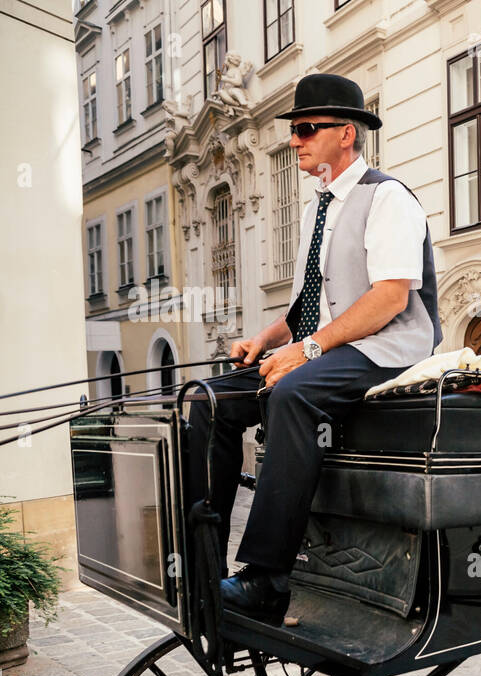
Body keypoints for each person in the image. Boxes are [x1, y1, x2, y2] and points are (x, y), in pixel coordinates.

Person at [186, 73, 440, 623]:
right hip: (333, 347)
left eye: (306, 129)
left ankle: (266, 579)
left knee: (292, 395)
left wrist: (309, 351)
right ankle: (201, 562)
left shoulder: (387, 197)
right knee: (207, 400)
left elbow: (391, 298)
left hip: (390, 348)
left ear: (345, 134)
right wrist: (267, 340)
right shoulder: (315, 210)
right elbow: (308, 304)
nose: (296, 140)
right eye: (295, 130)